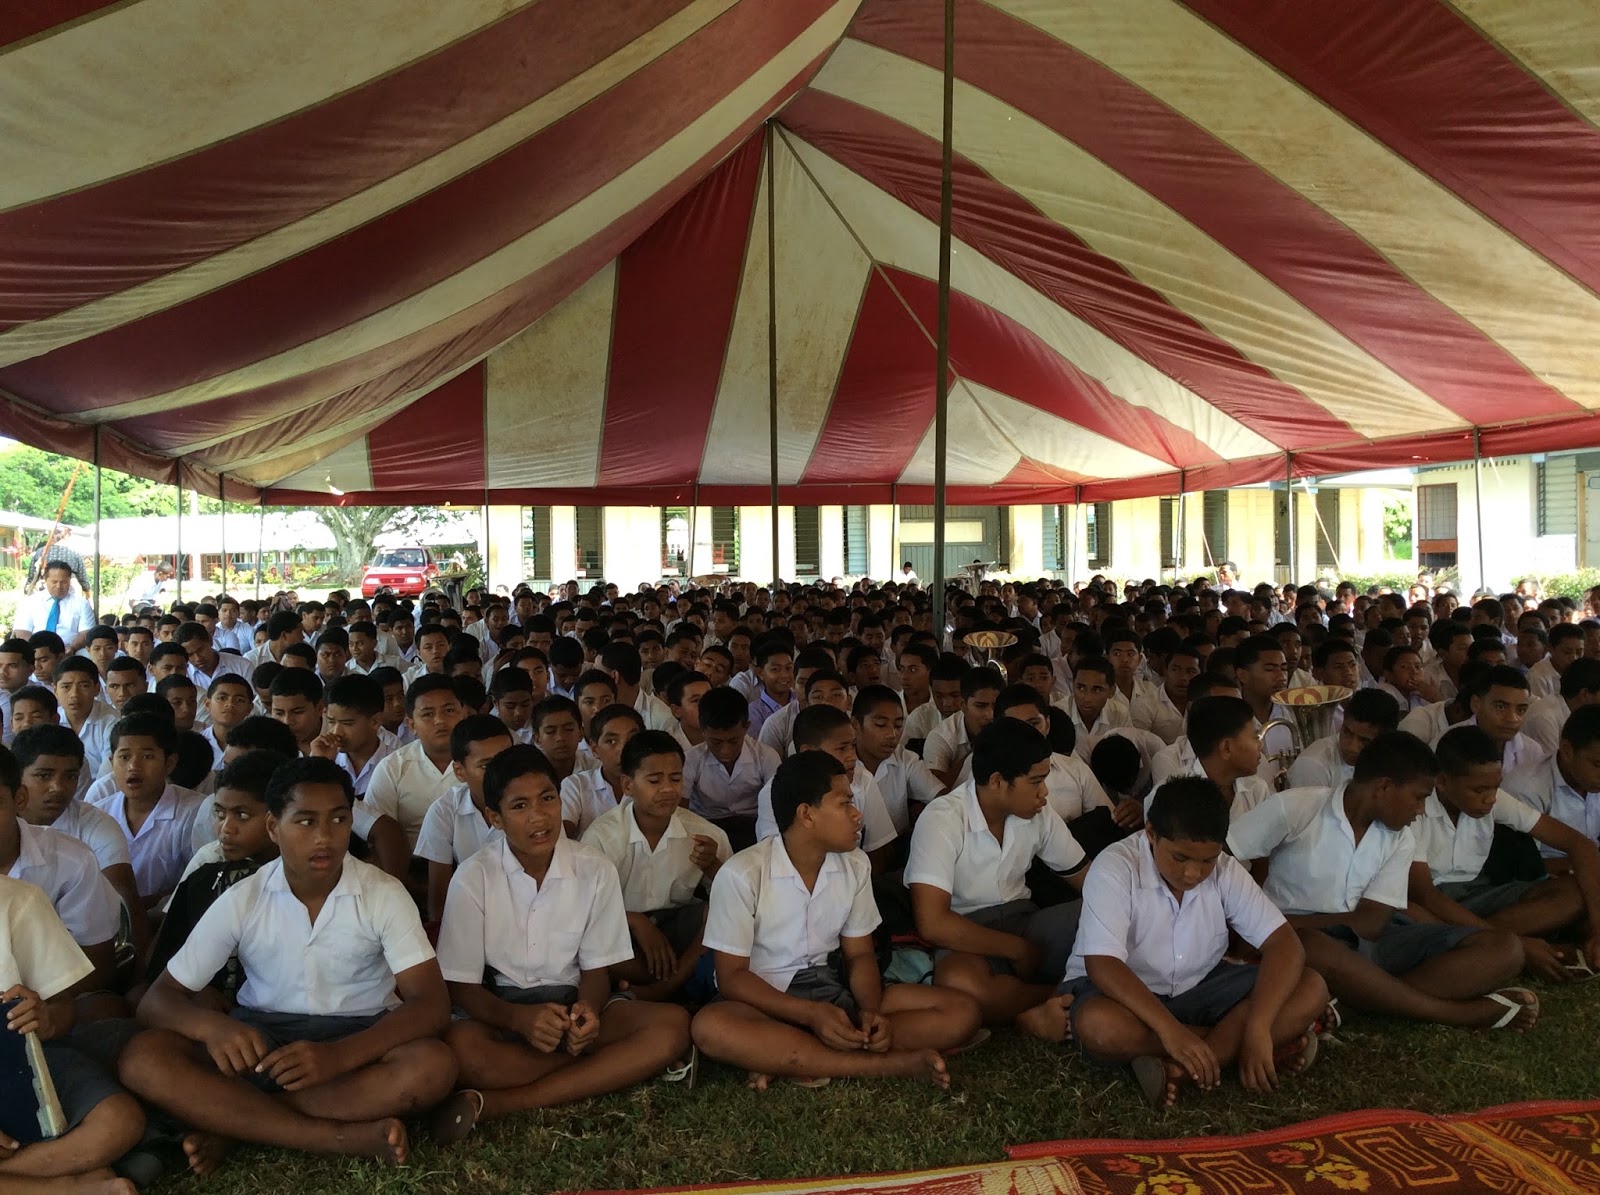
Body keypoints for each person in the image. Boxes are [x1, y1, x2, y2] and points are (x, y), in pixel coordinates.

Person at [118, 757, 460, 1175]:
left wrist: (337, 1056)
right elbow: (157, 1001)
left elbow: (430, 1004)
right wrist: (214, 1028)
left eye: (338, 819)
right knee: (144, 1058)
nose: (324, 837)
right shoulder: (244, 898)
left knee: (431, 1066)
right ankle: (330, 1137)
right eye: (305, 821)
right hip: (262, 1044)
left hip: (362, 1038)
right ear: (273, 828)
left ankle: (233, 1121)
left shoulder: (383, 894)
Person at [435, 745, 691, 1127]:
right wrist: (517, 1018)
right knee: (463, 1051)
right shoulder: (474, 878)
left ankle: (509, 1102)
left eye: (547, 798)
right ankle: (597, 1070)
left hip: (573, 1004)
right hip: (503, 1008)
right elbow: (462, 987)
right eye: (519, 806)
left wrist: (587, 1013)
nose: (539, 816)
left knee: (671, 1027)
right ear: (496, 817)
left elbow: (595, 970)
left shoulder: (593, 869)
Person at [692, 752, 978, 1089]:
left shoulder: (855, 865)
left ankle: (790, 1055)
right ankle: (885, 1064)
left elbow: (859, 955)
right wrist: (810, 1015)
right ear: (806, 815)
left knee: (962, 1011)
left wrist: (872, 1012)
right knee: (711, 1027)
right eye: (844, 804)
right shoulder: (742, 874)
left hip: (833, 988)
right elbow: (732, 978)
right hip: (765, 998)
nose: (857, 815)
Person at [1228, 732, 1537, 1032]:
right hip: (1295, 942)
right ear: (1384, 787)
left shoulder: (1400, 837)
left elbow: (1371, 924)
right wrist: (1266, 923)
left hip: (1367, 941)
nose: (1420, 811)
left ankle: (1354, 1003)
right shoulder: (1297, 808)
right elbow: (1221, 857)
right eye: (1418, 798)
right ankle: (1455, 1013)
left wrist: (1294, 923)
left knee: (1504, 948)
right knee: (1311, 945)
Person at [1064, 777, 1329, 1108]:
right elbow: (1103, 965)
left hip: (1201, 983)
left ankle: (1185, 1066)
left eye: (1207, 860)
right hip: (1126, 994)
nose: (1193, 873)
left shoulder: (1226, 871)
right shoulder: (1115, 867)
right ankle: (1246, 1047)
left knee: (1312, 986)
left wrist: (1260, 1025)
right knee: (1098, 1027)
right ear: (1150, 833)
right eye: (1180, 857)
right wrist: (1171, 1031)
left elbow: (1285, 944)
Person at [906, 718, 1087, 1042]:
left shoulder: (1039, 812)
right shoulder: (943, 818)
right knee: (964, 985)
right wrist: (1016, 950)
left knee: (1103, 918)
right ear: (998, 782)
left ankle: (1028, 1003)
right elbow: (933, 924)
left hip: (1026, 920)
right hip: (967, 937)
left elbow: (1088, 881)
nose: (1045, 792)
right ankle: (1062, 998)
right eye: (1036, 781)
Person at [1410, 726, 1600, 983]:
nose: (1490, 799)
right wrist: (1519, 942)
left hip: (1479, 895)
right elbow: (1425, 895)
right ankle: (1495, 940)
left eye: (1495, 788)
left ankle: (1473, 939)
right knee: (1412, 915)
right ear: (1442, 782)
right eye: (1479, 790)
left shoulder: (1494, 798)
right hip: (1428, 902)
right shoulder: (1415, 808)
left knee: (1574, 892)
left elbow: (1579, 844)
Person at [0, 875, 143, 1195]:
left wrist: (46, 1018)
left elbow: (65, 1006)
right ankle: (66, 1187)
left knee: (119, 1122)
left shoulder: (18, 901)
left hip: (24, 1063)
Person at [581, 731, 730, 1001]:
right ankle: (670, 981)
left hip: (677, 928)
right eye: (654, 780)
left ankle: (664, 986)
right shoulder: (602, 837)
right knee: (594, 950)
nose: (667, 789)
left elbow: (736, 897)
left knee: (721, 912)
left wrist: (713, 867)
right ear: (627, 785)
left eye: (675, 778)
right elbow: (584, 910)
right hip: (620, 930)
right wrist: (636, 922)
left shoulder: (706, 834)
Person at [144, 751, 286, 1002]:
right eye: (220, 814)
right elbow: (161, 962)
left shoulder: (302, 875)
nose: (226, 829)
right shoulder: (206, 872)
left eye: (242, 815)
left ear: (276, 818)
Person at [0, 744, 122, 994]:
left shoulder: (72, 862)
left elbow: (98, 963)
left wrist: (37, 1005)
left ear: (19, 799)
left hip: (54, 1001)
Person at [87, 714, 205, 909]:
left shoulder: (194, 812)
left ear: (170, 763)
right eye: (124, 757)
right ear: (111, 761)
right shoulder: (98, 814)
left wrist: (137, 907)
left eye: (147, 756)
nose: (133, 767)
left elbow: (199, 882)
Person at [415, 715, 514, 922]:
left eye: (507, 760)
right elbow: (440, 900)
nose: (501, 773)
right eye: (486, 766)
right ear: (460, 771)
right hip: (469, 917)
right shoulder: (444, 811)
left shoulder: (535, 805)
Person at [365, 675, 465, 848]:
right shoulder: (393, 768)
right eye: (428, 714)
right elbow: (378, 835)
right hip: (413, 867)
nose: (440, 720)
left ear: (463, 714)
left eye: (449, 711)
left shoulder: (484, 760)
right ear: (412, 725)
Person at [682, 686, 780, 852]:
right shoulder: (691, 759)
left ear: (746, 727)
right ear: (703, 729)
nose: (725, 751)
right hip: (706, 825)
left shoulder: (766, 756)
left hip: (753, 825)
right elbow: (680, 811)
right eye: (716, 742)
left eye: (734, 741)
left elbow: (776, 807)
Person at [1286, 688, 1400, 791]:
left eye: (1365, 741)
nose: (1351, 747)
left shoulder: (1392, 760)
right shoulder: (1312, 764)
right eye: (1346, 732)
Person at [560, 705, 644, 840]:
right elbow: (563, 839)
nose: (623, 749)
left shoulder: (652, 786)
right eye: (611, 741)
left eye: (632, 739)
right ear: (594, 749)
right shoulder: (577, 786)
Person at [923, 669, 1001, 788]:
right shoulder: (941, 737)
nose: (990, 715)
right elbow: (935, 792)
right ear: (963, 705)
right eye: (980, 706)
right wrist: (977, 750)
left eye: (996, 706)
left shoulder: (1010, 725)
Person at [14, 561, 96, 654]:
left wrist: (72, 648)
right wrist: (35, 651)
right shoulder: (29, 602)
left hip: (70, 651)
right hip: (36, 651)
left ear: (69, 580)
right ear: (45, 579)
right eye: (54, 582)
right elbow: (22, 631)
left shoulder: (81, 604)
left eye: (64, 582)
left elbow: (86, 632)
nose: (59, 586)